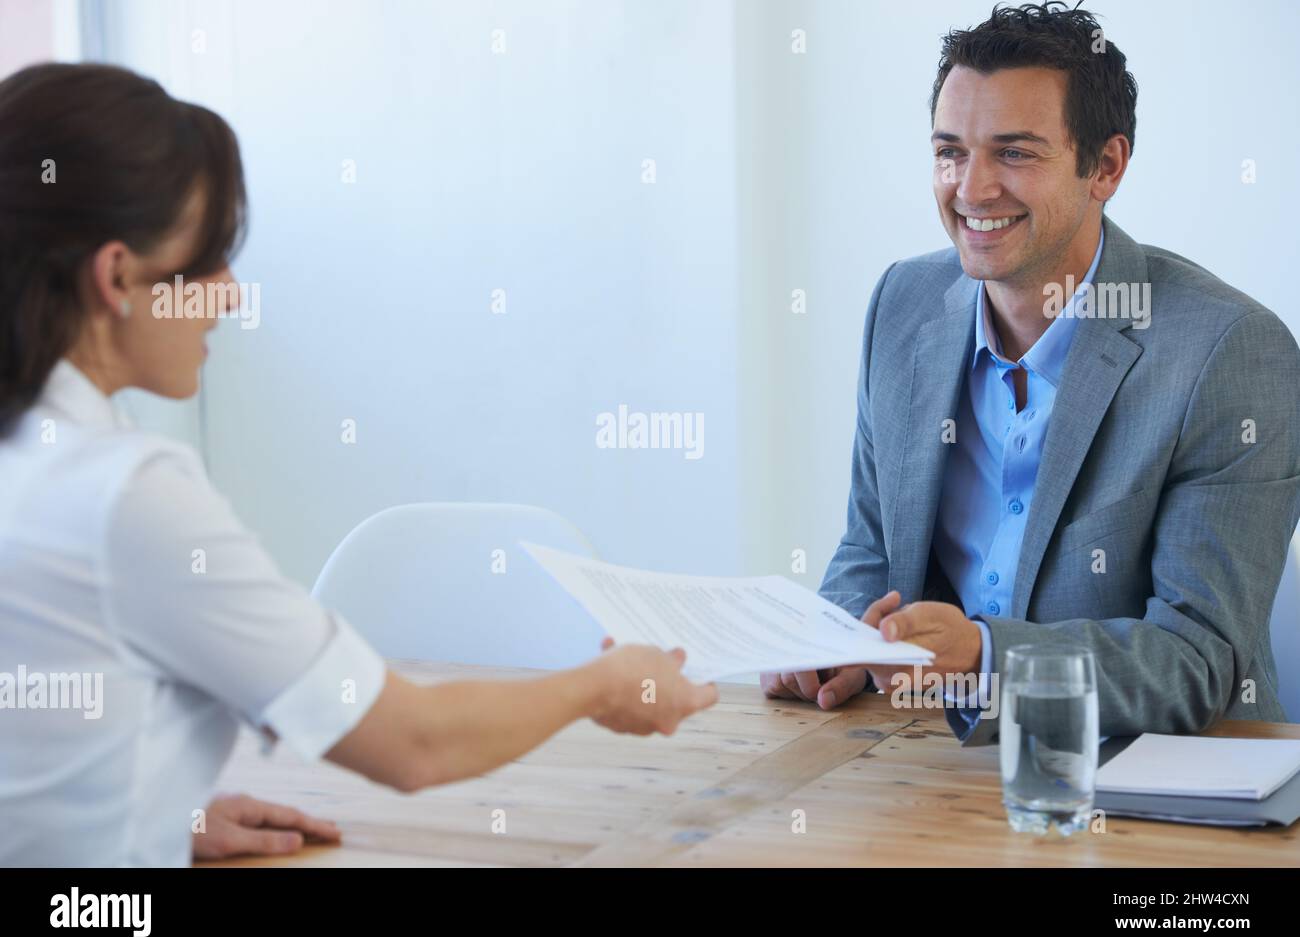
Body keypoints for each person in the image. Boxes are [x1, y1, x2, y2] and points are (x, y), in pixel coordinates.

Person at [0, 62, 717, 867]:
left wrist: (149, 816)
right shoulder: (126, 496)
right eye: (208, 259)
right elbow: (413, 743)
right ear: (119, 275)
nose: (231, 295)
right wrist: (603, 683)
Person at [763, 2, 1300, 745]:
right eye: (950, 151)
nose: (971, 190)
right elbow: (872, 547)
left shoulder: (1229, 352)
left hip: (1160, 788)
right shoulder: (902, 305)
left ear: (1105, 167)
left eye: (1013, 153)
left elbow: (1196, 661)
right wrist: (838, 646)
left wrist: (986, 658)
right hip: (936, 768)